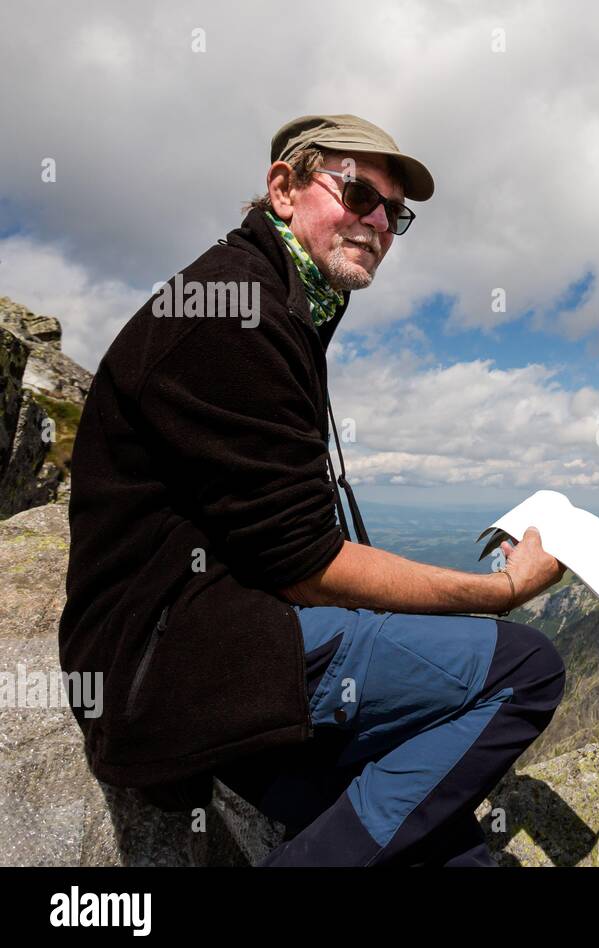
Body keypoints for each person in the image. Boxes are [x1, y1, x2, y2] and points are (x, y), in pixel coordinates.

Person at [57, 113, 567, 866]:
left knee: (450, 846)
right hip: (172, 669)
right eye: (359, 193)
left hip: (191, 657)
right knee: (527, 669)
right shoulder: (235, 311)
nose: (379, 222)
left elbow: (271, 529)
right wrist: (499, 590)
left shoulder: (277, 300)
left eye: (395, 212)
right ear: (284, 188)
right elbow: (302, 560)